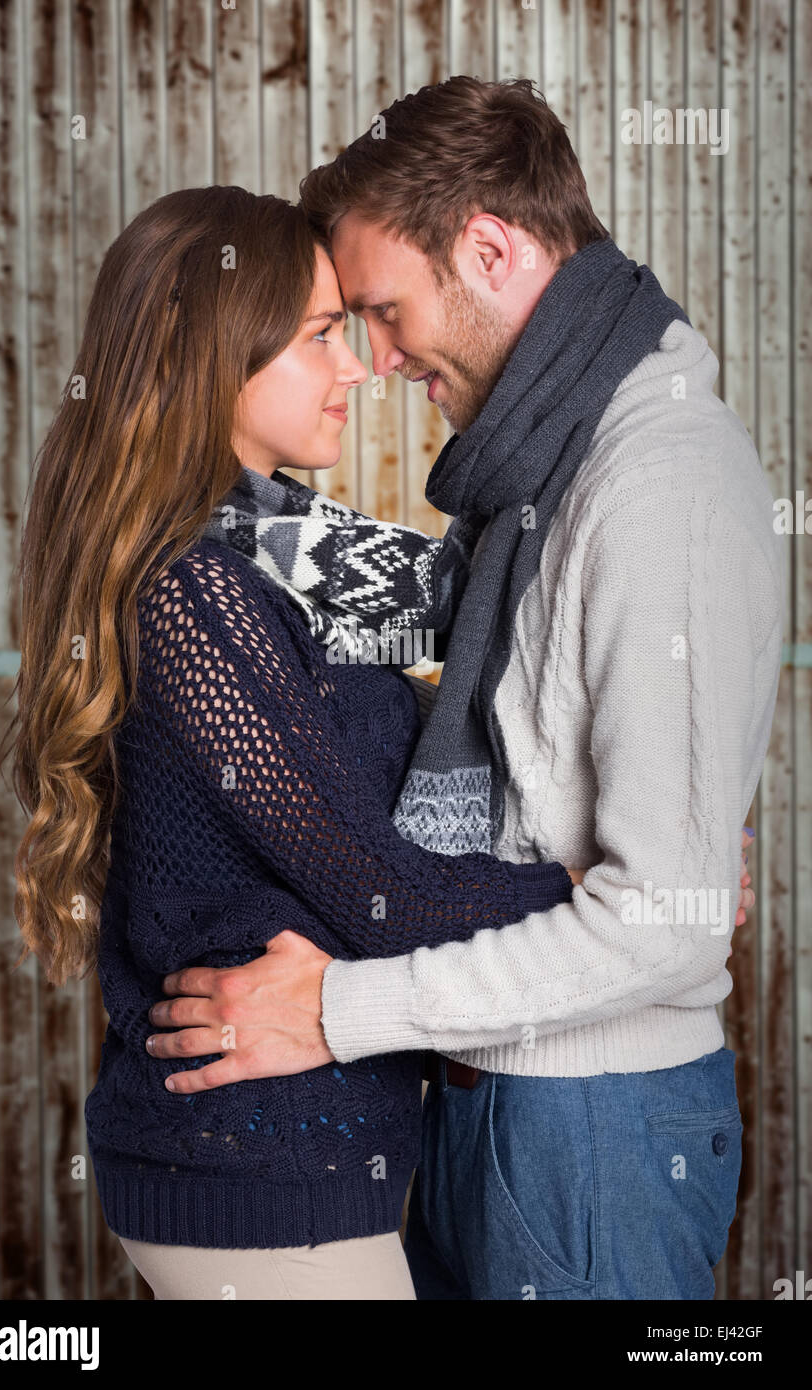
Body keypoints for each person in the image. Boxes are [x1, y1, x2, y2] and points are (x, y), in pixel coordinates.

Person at [148, 76, 777, 1300]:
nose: (375, 362)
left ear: (490, 249)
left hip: (587, 1124)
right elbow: (310, 640)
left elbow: (664, 921)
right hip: (480, 1100)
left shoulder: (655, 486)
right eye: (333, 330)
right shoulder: (540, 471)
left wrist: (336, 1011)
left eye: (378, 313)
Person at [2, 182, 608, 1301]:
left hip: (298, 1165)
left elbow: (454, 667)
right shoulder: (194, 593)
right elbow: (375, 887)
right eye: (325, 334)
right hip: (255, 1171)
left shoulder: (273, 567)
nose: (363, 368)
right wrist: (600, 893)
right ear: (213, 351)